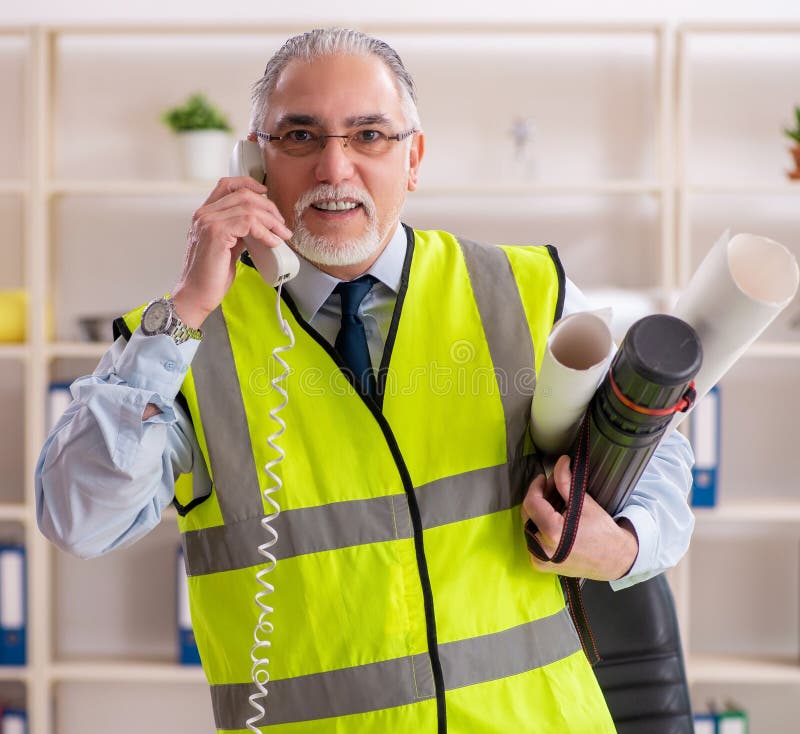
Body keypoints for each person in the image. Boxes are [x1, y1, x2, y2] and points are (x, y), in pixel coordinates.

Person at [36, 28, 694, 734]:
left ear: (413, 158)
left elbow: (654, 453)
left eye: (369, 135)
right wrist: (186, 309)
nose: (335, 167)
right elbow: (80, 517)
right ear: (254, 162)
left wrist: (626, 543)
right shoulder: (185, 341)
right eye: (300, 135)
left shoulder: (523, 288)